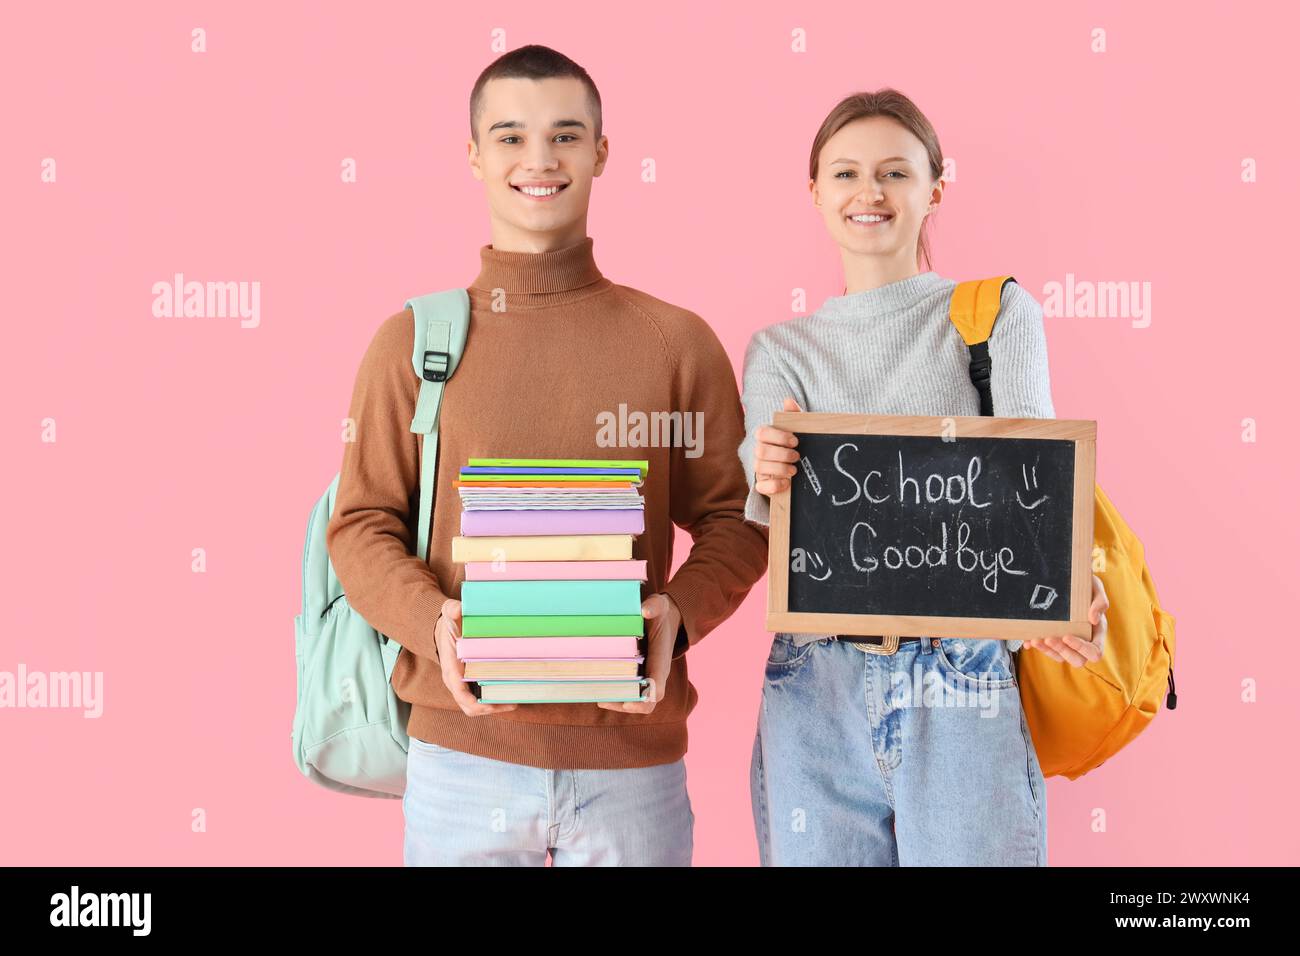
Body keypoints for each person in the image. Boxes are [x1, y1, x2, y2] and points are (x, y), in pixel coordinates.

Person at [327, 44, 768, 866]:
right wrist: (435, 625)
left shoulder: (674, 342)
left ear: (602, 152)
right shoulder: (413, 345)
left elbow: (736, 519)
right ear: (473, 155)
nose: (539, 160)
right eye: (510, 136)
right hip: (461, 764)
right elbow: (360, 526)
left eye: (566, 136)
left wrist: (679, 613)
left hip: (633, 770)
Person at [737, 89, 1109, 866]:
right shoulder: (778, 350)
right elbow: (774, 521)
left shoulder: (995, 317)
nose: (868, 193)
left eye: (894, 173)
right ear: (814, 192)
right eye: (845, 174)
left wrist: (1064, 590)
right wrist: (763, 470)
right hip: (817, 678)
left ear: (935, 188)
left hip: (962, 667)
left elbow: (1037, 487)